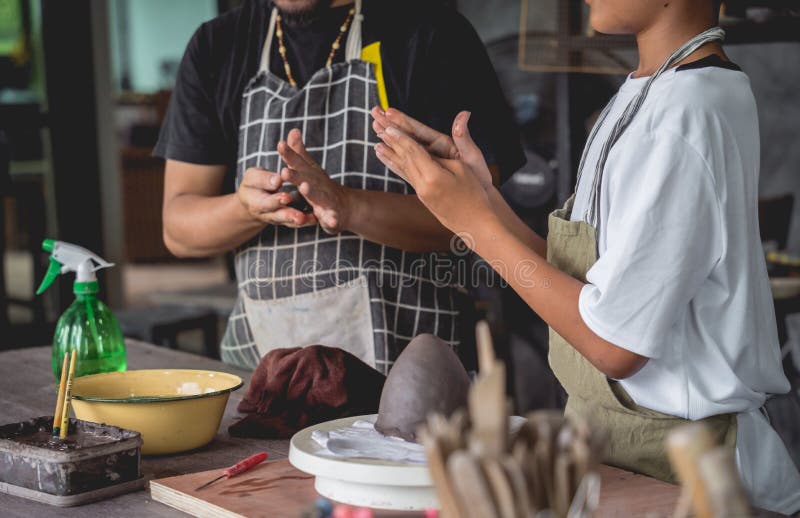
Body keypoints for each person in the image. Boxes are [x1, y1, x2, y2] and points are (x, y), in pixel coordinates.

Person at [370, 0, 800, 512]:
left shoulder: (688, 110)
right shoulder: (649, 90)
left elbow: (615, 344)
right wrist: (482, 198)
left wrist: (475, 225)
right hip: (623, 456)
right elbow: (583, 289)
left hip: (691, 475)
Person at [155, 0, 524, 372]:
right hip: (264, 377)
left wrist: (348, 206)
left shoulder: (432, 34)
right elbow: (179, 229)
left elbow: (485, 217)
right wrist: (246, 209)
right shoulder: (218, 47)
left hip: (412, 380)